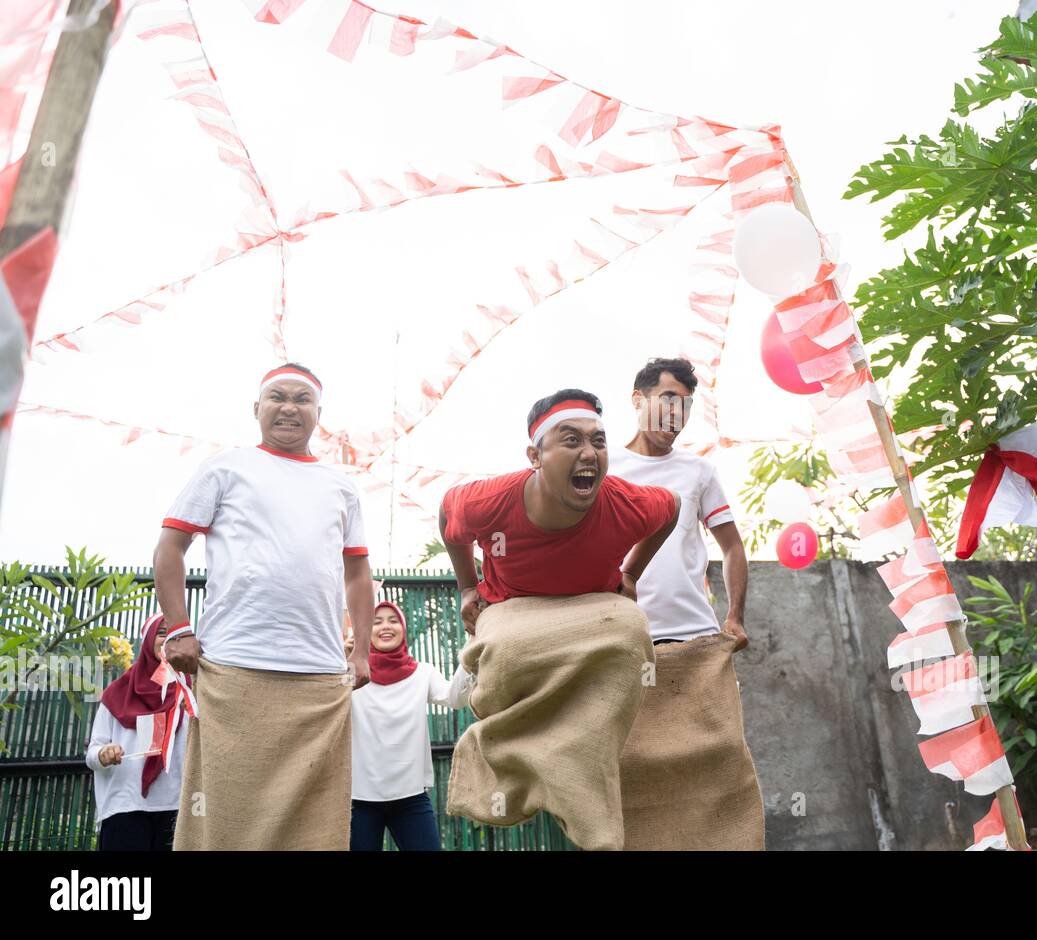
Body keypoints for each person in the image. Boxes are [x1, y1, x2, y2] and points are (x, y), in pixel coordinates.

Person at [438, 388, 680, 850]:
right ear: (535, 455)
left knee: (632, 627)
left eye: (598, 441)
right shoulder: (487, 501)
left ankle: (582, 762)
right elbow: (449, 519)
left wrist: (631, 573)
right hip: (512, 606)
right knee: (506, 652)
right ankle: (504, 752)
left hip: (591, 607)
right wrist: (468, 587)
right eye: (571, 441)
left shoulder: (627, 503)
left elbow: (671, 509)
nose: (588, 453)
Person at [155, 363, 375, 851]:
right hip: (233, 667)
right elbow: (170, 549)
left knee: (315, 823)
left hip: (320, 678)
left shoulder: (341, 487)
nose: (290, 407)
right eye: (278, 397)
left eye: (303, 399)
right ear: (257, 408)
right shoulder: (224, 468)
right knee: (221, 812)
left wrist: (360, 653)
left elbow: (358, 574)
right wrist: (178, 629)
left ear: (319, 414)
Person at [608, 357, 765, 850]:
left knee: (719, 761)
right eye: (668, 399)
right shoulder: (604, 468)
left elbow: (733, 546)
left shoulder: (699, 472)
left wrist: (734, 616)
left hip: (696, 641)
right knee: (629, 767)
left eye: (686, 405)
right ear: (638, 400)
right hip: (623, 639)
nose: (676, 413)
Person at [349, 599, 471, 851]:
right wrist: (340, 658)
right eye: (376, 621)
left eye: (393, 620)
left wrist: (472, 646)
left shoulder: (422, 673)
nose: (386, 626)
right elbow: (322, 698)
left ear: (403, 629)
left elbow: (455, 698)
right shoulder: (351, 673)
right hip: (358, 800)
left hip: (410, 798)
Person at [86, 613, 190, 851]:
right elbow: (92, 754)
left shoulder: (192, 691)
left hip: (179, 809)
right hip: (125, 808)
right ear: (147, 640)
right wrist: (104, 753)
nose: (169, 641)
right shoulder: (116, 693)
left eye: (176, 635)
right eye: (162, 633)